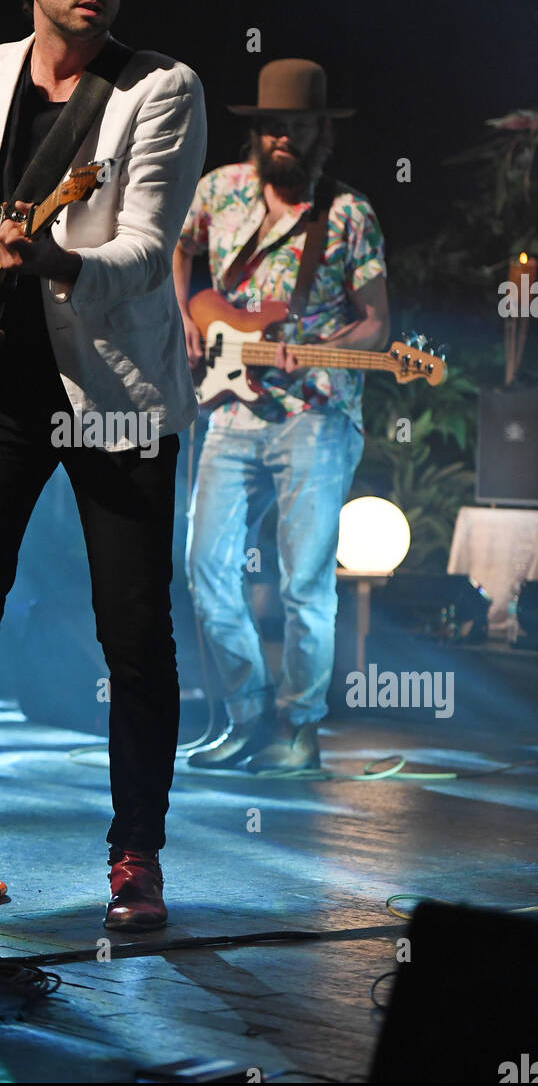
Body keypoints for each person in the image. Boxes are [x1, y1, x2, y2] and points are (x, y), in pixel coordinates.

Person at [0, 0, 207, 935]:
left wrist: (46, 257)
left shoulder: (159, 89)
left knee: (133, 635)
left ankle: (135, 855)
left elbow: (140, 252)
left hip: (112, 395)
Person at [174, 59, 388, 771]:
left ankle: (300, 729)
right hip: (230, 411)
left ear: (321, 131)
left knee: (304, 583)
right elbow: (181, 248)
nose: (284, 137)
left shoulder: (348, 214)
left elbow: (376, 325)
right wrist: (185, 316)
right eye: (272, 126)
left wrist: (321, 349)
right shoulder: (219, 192)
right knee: (205, 566)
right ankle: (246, 716)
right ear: (258, 132)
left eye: (298, 125)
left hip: (315, 415)